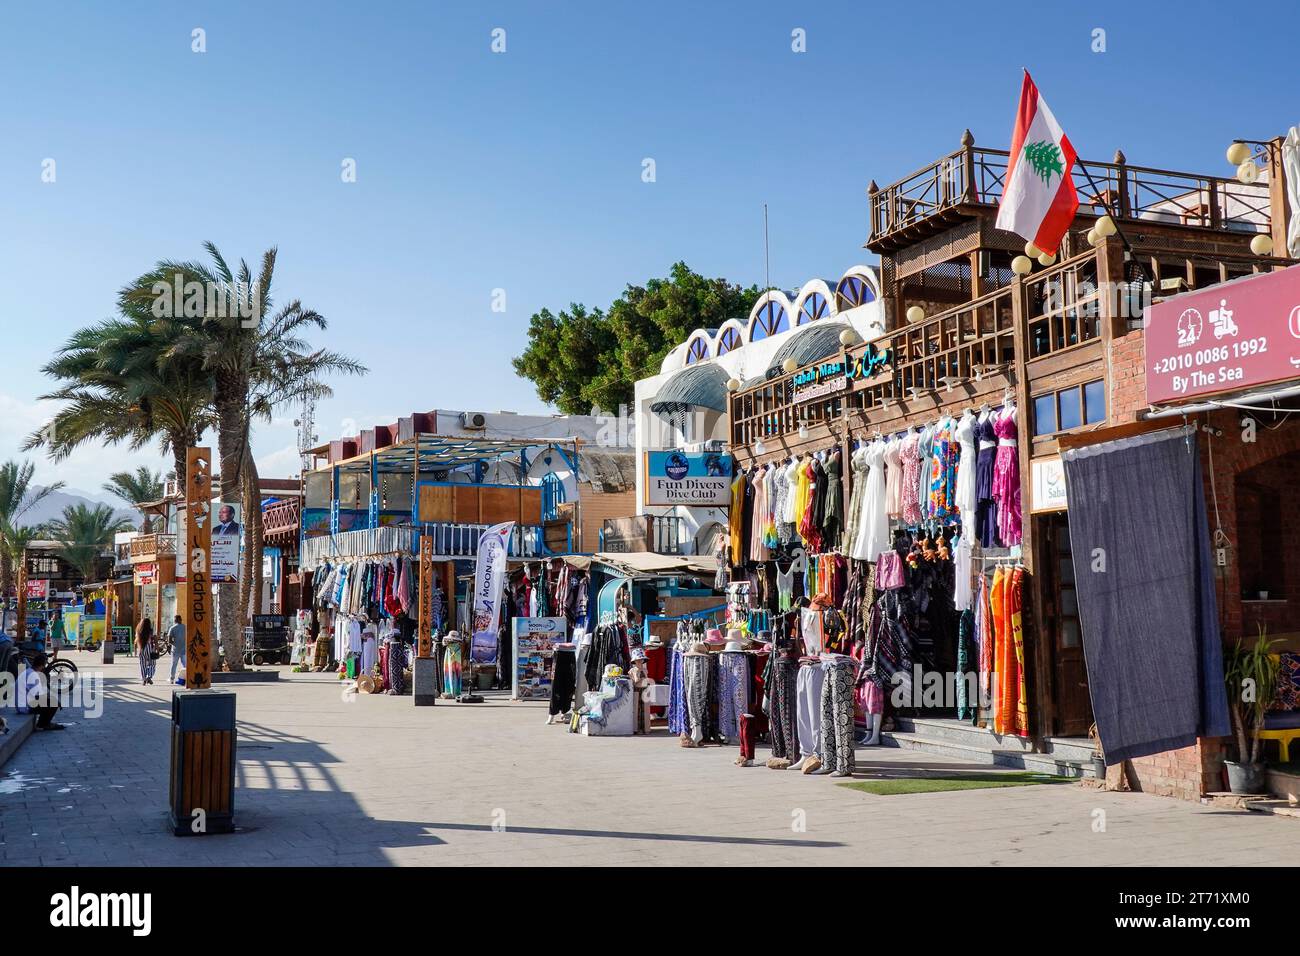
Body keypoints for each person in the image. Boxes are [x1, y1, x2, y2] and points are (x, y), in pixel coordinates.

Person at [19, 653, 65, 730]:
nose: (43, 668)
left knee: (50, 700)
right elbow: (38, 695)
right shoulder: (33, 675)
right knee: (53, 703)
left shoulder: (29, 672)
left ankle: (44, 722)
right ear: (41, 665)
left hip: (23, 704)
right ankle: (43, 724)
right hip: (25, 707)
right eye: (44, 666)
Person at [136, 618, 156, 685]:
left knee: (142, 664)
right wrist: (157, 648)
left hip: (141, 648)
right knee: (152, 664)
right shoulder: (151, 630)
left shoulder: (138, 630)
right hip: (149, 647)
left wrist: (136, 650)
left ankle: (144, 679)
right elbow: (155, 639)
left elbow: (136, 640)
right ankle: (149, 676)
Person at [167, 615, 186, 685]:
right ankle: (186, 678)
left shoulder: (172, 628)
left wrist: (174, 643)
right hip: (184, 649)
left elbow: (169, 640)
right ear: (181, 620)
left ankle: (172, 679)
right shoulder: (185, 627)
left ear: (175, 620)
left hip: (175, 650)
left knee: (174, 665)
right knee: (185, 665)